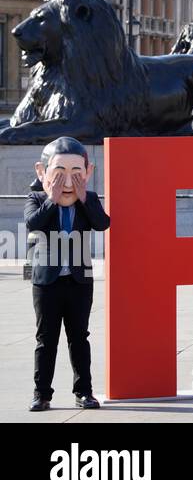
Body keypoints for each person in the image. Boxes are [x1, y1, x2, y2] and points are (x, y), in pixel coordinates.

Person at [25, 136, 110, 411]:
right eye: (59, 174)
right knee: (45, 339)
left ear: (88, 172)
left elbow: (102, 224)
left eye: (76, 173)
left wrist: (85, 199)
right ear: (43, 172)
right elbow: (33, 224)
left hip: (78, 280)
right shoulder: (36, 198)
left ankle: (84, 392)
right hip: (46, 282)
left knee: (79, 338)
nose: (68, 182)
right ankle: (42, 394)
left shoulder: (89, 199)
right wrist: (51, 197)